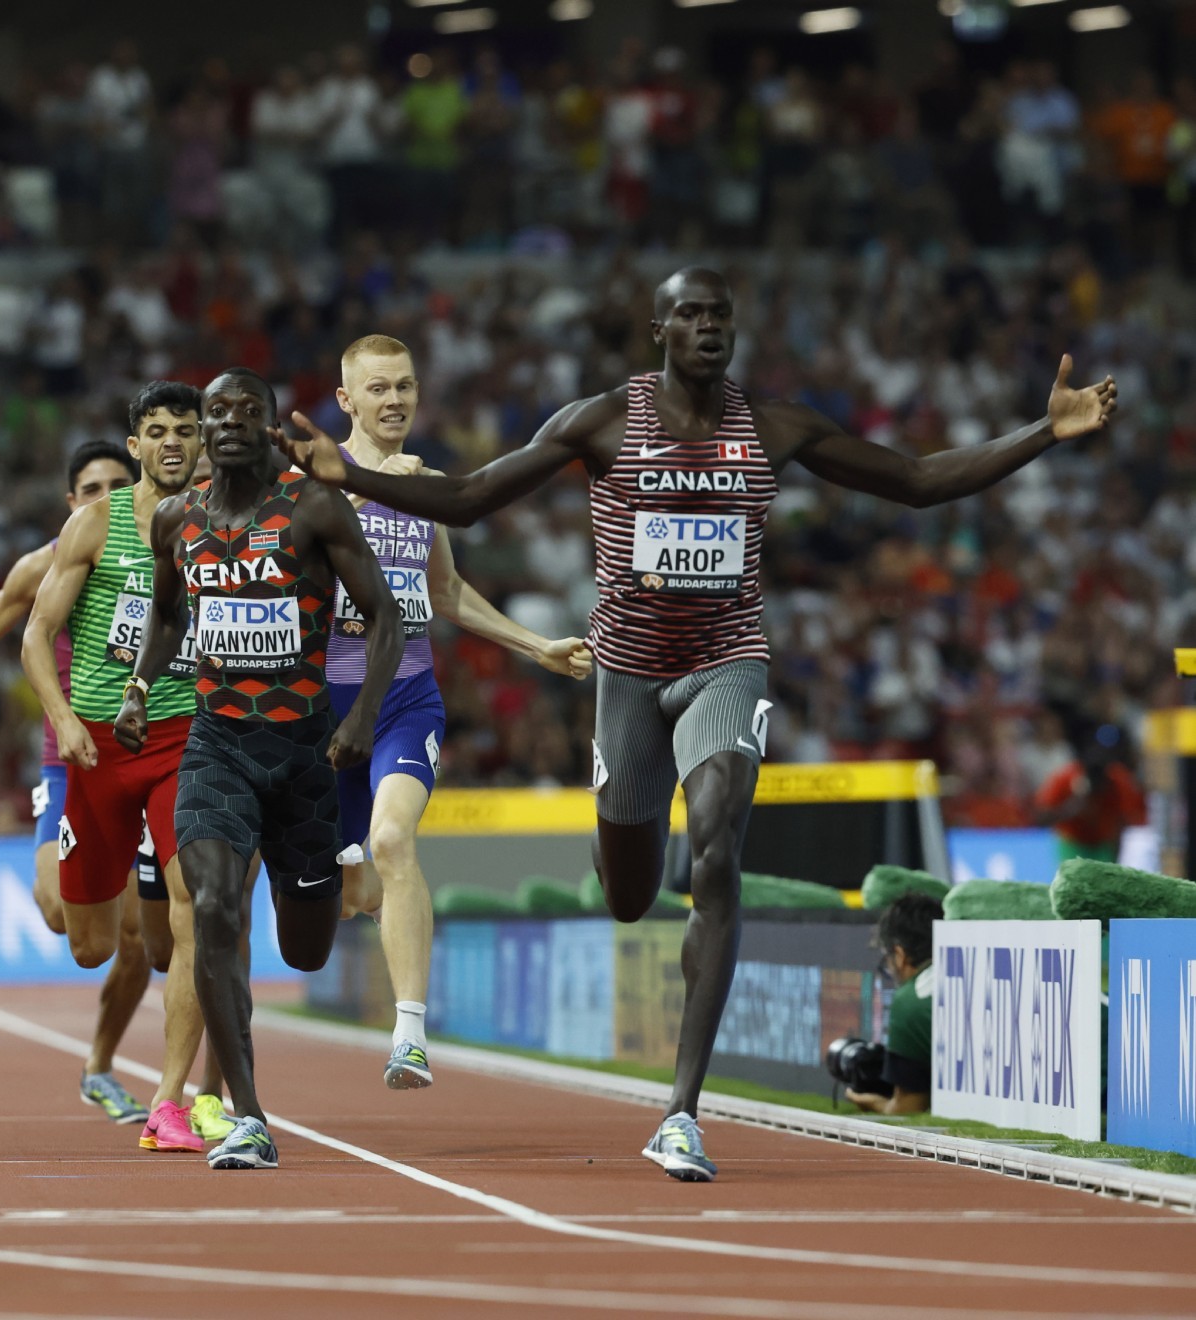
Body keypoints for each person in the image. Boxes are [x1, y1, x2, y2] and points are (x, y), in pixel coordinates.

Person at [277, 267, 1118, 1181]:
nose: (707, 327)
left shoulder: (774, 425)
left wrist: (1044, 431)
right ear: (660, 331)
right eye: (689, 314)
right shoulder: (602, 420)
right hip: (629, 675)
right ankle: (619, 830)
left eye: (720, 314)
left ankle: (680, 1111)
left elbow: (915, 481)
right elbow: (475, 494)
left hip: (727, 658)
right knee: (630, 891)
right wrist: (353, 476)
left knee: (716, 856)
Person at [120, 367, 400, 1169]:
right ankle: (246, 1113)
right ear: (205, 429)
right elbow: (167, 615)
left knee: (307, 948)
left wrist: (362, 718)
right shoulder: (177, 518)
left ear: (271, 424)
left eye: (250, 409)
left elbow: (382, 614)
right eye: (219, 411)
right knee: (212, 906)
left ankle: (330, 881)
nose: (232, 421)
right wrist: (140, 688)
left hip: (307, 755)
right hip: (218, 746)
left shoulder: (313, 506)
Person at [324, 334, 592, 1090]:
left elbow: (444, 592)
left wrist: (535, 646)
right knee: (338, 902)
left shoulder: (430, 485)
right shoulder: (315, 481)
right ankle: (355, 887)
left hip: (407, 699)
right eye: (378, 388)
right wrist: (364, 489)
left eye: (405, 386)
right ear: (346, 400)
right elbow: (281, 556)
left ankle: (410, 1035)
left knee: (393, 838)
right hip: (326, 709)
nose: (395, 400)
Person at [0, 439, 173, 1129]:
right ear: (72, 502)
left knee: (140, 937)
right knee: (58, 912)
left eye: (117, 485)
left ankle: (100, 1065)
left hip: (154, 749)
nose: (106, 498)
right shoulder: (46, 562)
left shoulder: (174, 547)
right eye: (91, 489)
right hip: (68, 761)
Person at [23, 381, 228, 1154]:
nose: (173, 442)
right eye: (158, 430)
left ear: (201, 443)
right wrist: (65, 719)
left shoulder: (221, 523)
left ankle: (171, 1101)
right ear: (135, 443)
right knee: (92, 946)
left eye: (185, 430)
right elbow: (34, 636)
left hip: (186, 741)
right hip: (99, 751)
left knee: (197, 905)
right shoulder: (95, 525)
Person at [846, 893, 942, 1117]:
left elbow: (908, 1109)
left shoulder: (910, 999)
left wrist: (876, 1104)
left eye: (887, 960)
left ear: (900, 955)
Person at [1034, 723, 1146, 864]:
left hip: (1103, 845)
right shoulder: (1066, 777)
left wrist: (1116, 857)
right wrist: (1074, 804)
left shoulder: (1118, 780)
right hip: (1072, 842)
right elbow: (1041, 818)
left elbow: (1127, 819)